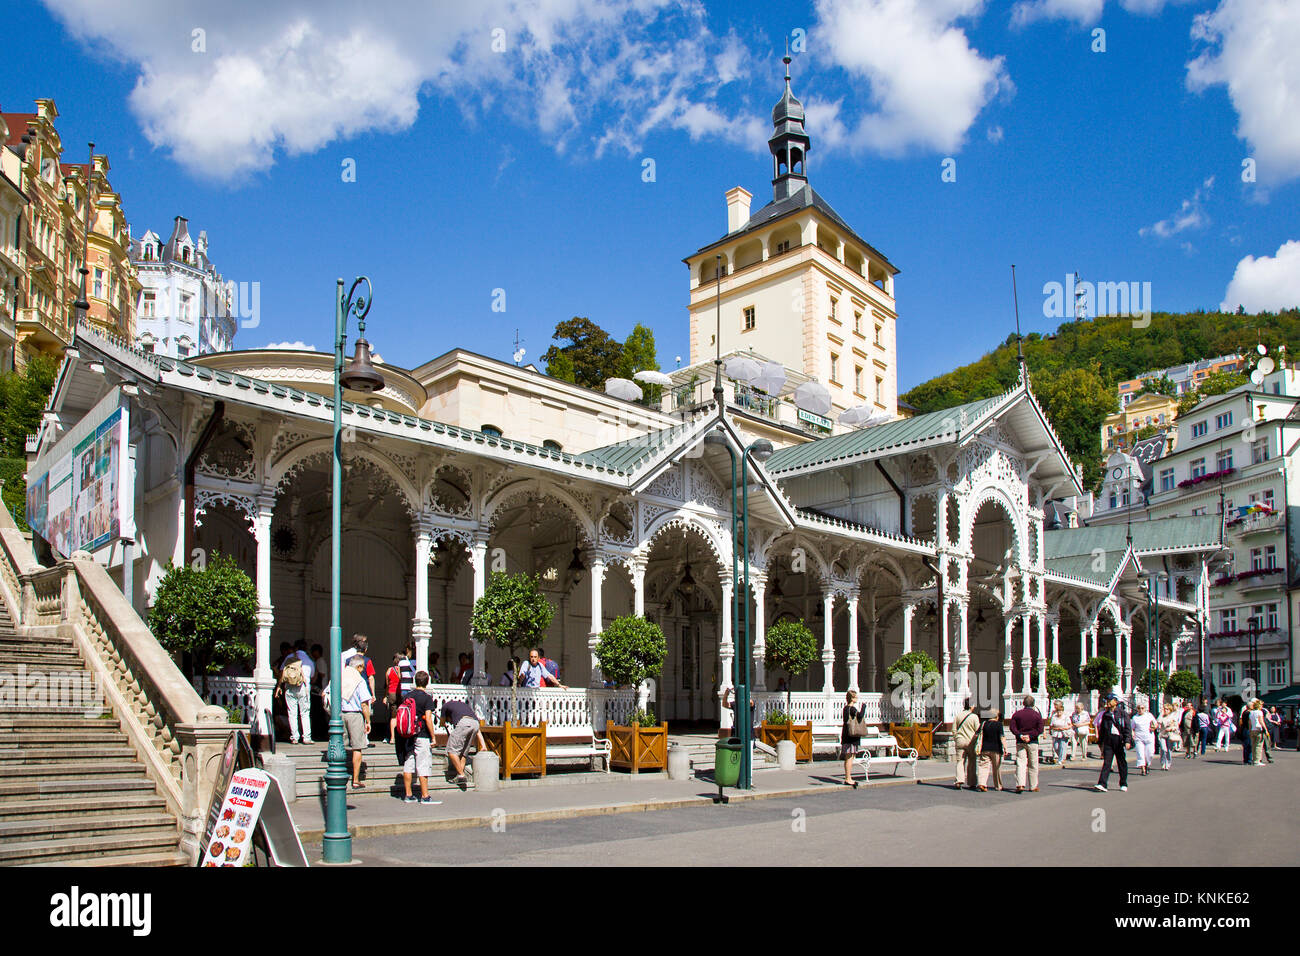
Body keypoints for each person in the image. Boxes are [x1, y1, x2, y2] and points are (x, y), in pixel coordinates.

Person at [322, 656, 372, 789]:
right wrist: (368, 721)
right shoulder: (359, 680)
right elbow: (364, 704)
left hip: (339, 714)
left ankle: (338, 773)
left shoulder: (338, 677)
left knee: (339, 744)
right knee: (357, 747)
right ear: (359, 667)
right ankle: (355, 780)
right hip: (354, 715)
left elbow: (324, 693)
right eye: (362, 668)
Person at [395, 671, 438, 803]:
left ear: (415, 681)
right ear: (427, 682)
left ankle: (408, 795)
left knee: (409, 763)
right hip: (422, 734)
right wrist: (433, 737)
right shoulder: (426, 698)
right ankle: (425, 796)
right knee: (423, 764)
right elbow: (429, 719)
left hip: (407, 734)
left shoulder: (407, 696)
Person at [274, 639, 315, 745]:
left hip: (290, 687)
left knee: (292, 713)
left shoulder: (289, 658)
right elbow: (312, 676)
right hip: (303, 687)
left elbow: (282, 672)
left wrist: (279, 686)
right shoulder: (309, 660)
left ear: (295, 647)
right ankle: (306, 737)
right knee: (304, 713)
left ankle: (294, 737)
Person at [440, 697, 486, 789]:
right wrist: (483, 745)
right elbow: (478, 730)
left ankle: (461, 775)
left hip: (463, 723)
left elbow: (442, 722)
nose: (451, 722)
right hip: (475, 724)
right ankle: (459, 776)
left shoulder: (445, 706)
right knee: (464, 753)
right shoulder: (465, 707)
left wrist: (444, 723)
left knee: (451, 751)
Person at [1094, 694, 1133, 792]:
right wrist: (1101, 742)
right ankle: (1102, 783)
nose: (1107, 702)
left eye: (1109, 700)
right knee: (1107, 762)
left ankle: (1123, 783)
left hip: (1119, 740)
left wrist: (1127, 740)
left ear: (1115, 702)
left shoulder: (1122, 714)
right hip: (1108, 740)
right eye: (1106, 700)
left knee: (1121, 762)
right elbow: (1103, 729)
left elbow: (1128, 727)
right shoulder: (1105, 714)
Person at [1010, 695, 1043, 793]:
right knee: (1033, 764)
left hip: (1020, 741)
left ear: (1023, 703)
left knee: (1021, 763)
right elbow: (1040, 729)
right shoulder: (1037, 715)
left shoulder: (1017, 714)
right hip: (1032, 741)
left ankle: (1020, 784)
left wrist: (1020, 735)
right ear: (1033, 704)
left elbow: (1012, 727)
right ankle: (1033, 786)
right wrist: (1030, 736)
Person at [952, 699, 981, 789]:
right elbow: (978, 730)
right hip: (970, 741)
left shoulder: (958, 715)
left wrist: (956, 738)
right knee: (972, 762)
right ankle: (972, 782)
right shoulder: (974, 717)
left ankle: (959, 780)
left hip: (960, 740)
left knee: (960, 761)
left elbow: (954, 729)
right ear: (971, 706)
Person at [840, 690, 864, 788]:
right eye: (855, 697)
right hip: (851, 736)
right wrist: (864, 707)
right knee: (850, 757)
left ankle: (848, 777)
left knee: (848, 757)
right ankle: (848, 778)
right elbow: (860, 716)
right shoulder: (852, 709)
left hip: (846, 735)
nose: (857, 699)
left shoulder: (845, 708)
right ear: (852, 698)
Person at [976, 709, 1004, 792]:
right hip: (996, 749)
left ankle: (982, 783)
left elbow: (976, 734)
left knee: (983, 766)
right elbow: (1002, 737)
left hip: (985, 748)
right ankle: (998, 786)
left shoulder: (983, 724)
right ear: (997, 716)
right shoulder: (999, 725)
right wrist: (1005, 747)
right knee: (997, 768)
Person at [1131, 702, 1156, 776]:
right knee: (1140, 754)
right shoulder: (1135, 718)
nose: (1140, 710)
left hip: (1149, 737)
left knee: (1150, 753)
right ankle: (1143, 769)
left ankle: (1147, 764)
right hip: (1139, 738)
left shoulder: (1149, 716)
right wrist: (1133, 735)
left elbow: (1155, 724)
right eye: (1139, 708)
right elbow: (1132, 728)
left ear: (1145, 709)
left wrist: (1153, 727)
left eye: (1142, 708)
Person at [1249, 699, 1272, 766]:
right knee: (1258, 746)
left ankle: (1254, 759)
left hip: (1253, 730)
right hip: (1258, 729)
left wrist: (1250, 730)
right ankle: (1257, 760)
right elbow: (1261, 721)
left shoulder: (1251, 712)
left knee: (1253, 745)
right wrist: (1265, 729)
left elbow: (1249, 722)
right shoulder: (1259, 712)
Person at [1156, 702, 1179, 771]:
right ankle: (1163, 763)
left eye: (1167, 709)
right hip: (1162, 735)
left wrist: (1171, 728)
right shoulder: (1161, 716)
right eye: (1164, 709)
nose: (1165, 710)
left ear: (1170, 710)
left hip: (1170, 735)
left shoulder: (1172, 717)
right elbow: (1158, 722)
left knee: (1169, 750)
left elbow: (1176, 726)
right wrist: (1161, 714)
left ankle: (1168, 763)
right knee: (1163, 749)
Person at [1048, 700, 1071, 766]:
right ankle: (1059, 757)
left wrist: (1064, 728)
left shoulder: (1065, 715)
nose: (1059, 712)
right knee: (1056, 747)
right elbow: (1051, 725)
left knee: (1062, 746)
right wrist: (1052, 729)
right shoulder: (1054, 715)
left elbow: (1070, 724)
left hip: (1063, 733)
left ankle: (1060, 759)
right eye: (1058, 711)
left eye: (1060, 711)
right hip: (1056, 732)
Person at [1238, 699, 1254, 765]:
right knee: (1249, 745)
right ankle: (1249, 760)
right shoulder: (1249, 713)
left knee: (1246, 745)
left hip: (1244, 729)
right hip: (1248, 729)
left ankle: (1246, 760)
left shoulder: (1244, 712)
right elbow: (1250, 722)